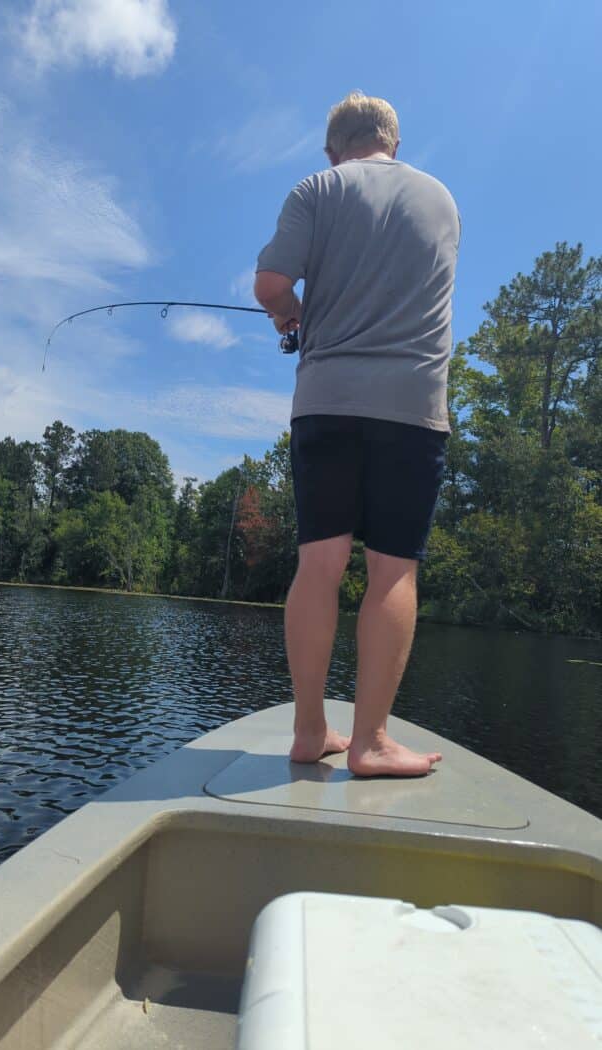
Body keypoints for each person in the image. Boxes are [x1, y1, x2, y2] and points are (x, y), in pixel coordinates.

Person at [254, 91, 460, 776]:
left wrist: (291, 315)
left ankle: (310, 732)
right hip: (411, 405)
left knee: (320, 564)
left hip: (325, 401)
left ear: (332, 149)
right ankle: (370, 741)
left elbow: (270, 283)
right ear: (393, 143)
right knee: (391, 568)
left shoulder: (315, 187)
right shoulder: (440, 201)